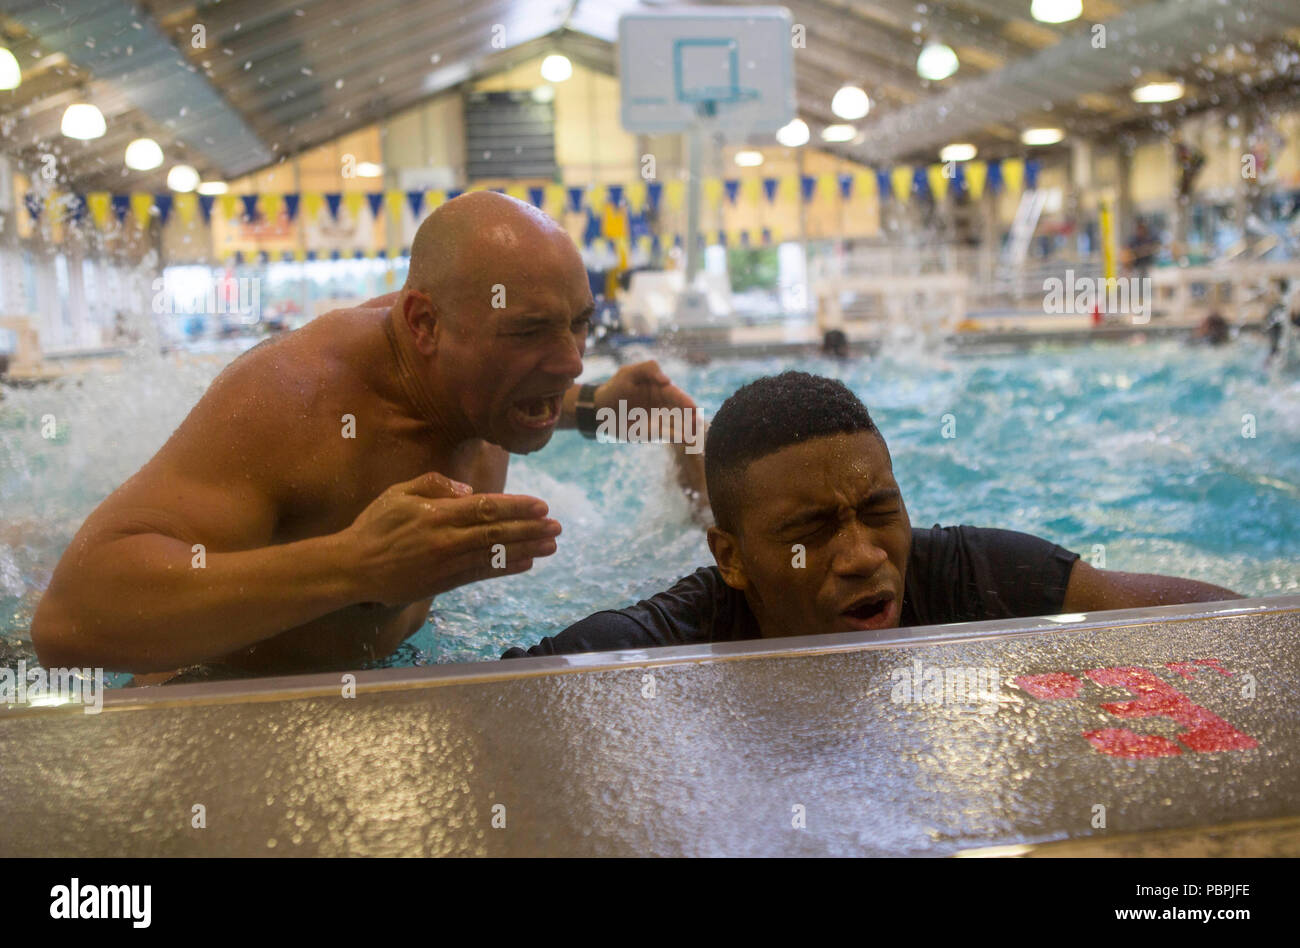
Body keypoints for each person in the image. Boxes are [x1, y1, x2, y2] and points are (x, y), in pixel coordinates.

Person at [32, 192, 704, 677]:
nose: (569, 360)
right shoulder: (297, 400)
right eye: (528, 331)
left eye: (579, 324)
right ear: (425, 326)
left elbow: (510, 389)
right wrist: (354, 565)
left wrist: (594, 407)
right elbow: (67, 625)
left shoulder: (483, 376)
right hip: (221, 699)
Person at [504, 372, 1240, 657]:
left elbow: (1235, 624)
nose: (863, 556)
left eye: (878, 512)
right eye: (811, 532)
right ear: (729, 558)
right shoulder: (670, 635)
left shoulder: (966, 573)